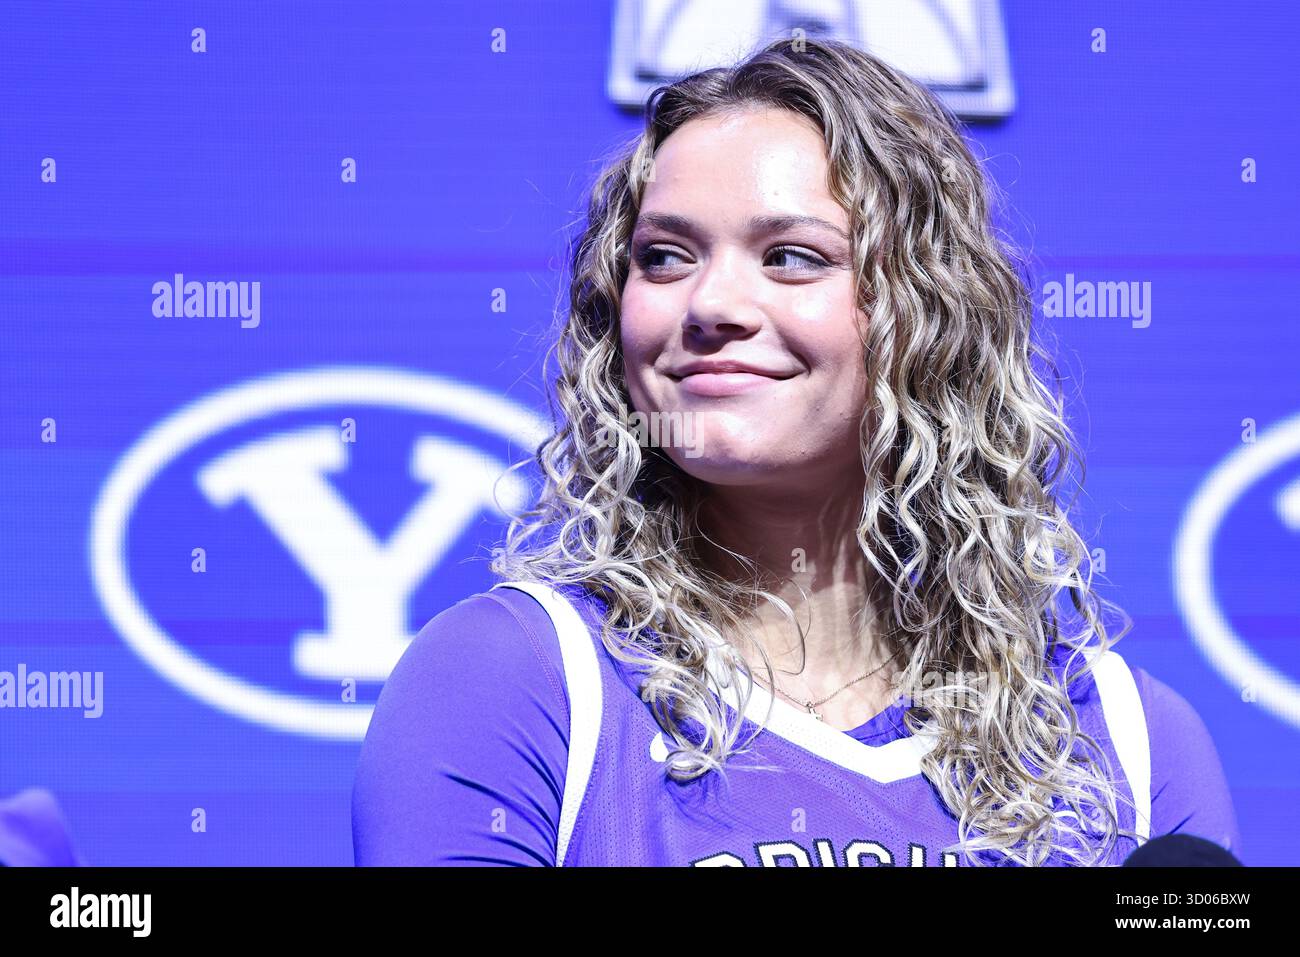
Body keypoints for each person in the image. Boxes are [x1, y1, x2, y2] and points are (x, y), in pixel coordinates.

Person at [352, 36, 1241, 867]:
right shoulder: (514, 682)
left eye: (790, 257)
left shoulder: (1125, 738)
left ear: (928, 316)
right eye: (663, 257)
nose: (710, 304)